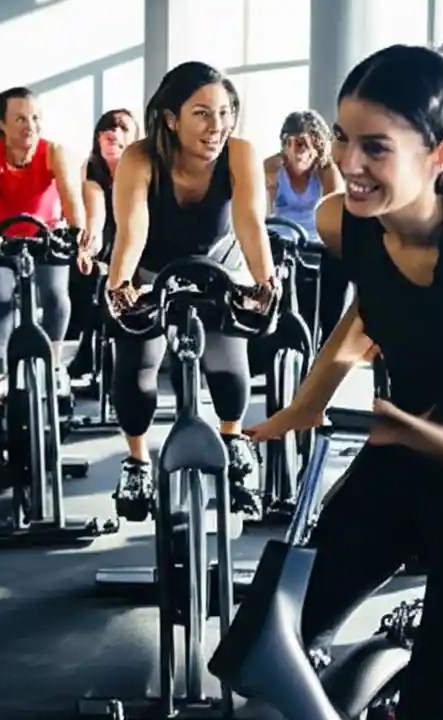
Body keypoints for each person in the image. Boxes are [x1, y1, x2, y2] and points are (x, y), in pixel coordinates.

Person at [243, 45, 443, 719]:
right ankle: (375, 672)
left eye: (377, 149)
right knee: (262, 645)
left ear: (442, 153)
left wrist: (409, 427)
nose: (348, 166)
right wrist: (308, 403)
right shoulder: (341, 220)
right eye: (343, 139)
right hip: (403, 462)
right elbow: (371, 307)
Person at [104, 61, 278, 516]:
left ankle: (232, 435)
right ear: (170, 118)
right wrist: (119, 284)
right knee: (138, 367)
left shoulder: (240, 154)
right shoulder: (140, 158)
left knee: (226, 361)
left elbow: (250, 224)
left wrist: (266, 281)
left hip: (219, 266)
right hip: (151, 270)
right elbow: (132, 229)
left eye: (224, 113)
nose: (216, 127)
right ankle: (138, 460)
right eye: (201, 113)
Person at [0, 86, 89, 457]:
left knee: (57, 301)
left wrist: (79, 236)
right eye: (19, 119)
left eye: (35, 118)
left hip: (45, 237)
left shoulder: (54, 152)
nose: (29, 126)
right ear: (1, 123)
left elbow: (71, 198)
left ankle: (52, 367)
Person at [67, 108, 140, 381]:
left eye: (122, 130)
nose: (113, 134)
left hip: (140, 235)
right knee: (87, 276)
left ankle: (95, 356)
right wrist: (88, 247)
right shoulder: (91, 168)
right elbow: (95, 214)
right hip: (108, 235)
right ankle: (91, 350)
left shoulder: (142, 168)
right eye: (107, 130)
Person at [263, 110, 345, 349]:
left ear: (317, 147)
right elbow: (259, 211)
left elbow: (334, 211)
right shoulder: (272, 166)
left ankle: (329, 339)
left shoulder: (327, 172)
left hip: (317, 240)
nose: (293, 151)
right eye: (288, 143)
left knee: (337, 270)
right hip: (283, 238)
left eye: (301, 144)